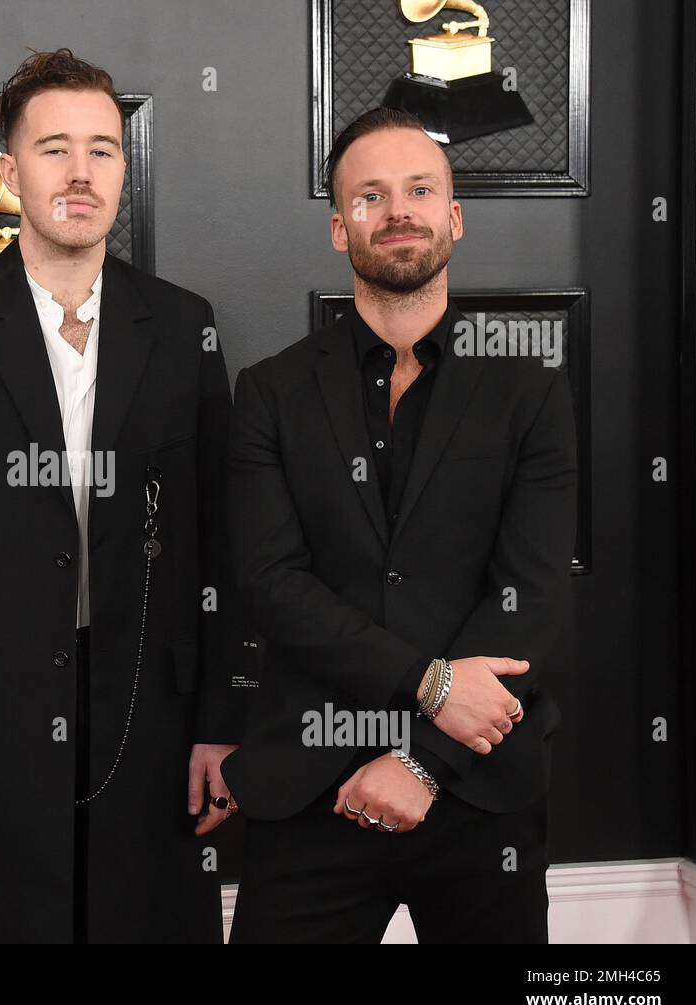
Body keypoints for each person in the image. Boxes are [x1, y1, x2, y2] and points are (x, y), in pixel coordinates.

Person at [0, 48, 249, 943]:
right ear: (11, 174)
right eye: (54, 150)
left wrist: (222, 720)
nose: (80, 173)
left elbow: (224, 540)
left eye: (102, 150)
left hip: (152, 717)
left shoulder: (185, 326)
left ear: (124, 169)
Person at [225, 107, 577, 943]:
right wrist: (431, 684)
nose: (398, 212)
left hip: (479, 786)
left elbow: (530, 594)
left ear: (453, 216)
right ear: (339, 228)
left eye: (419, 191)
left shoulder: (529, 387)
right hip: (310, 787)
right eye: (370, 196)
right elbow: (271, 584)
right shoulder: (269, 392)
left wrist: (422, 759)